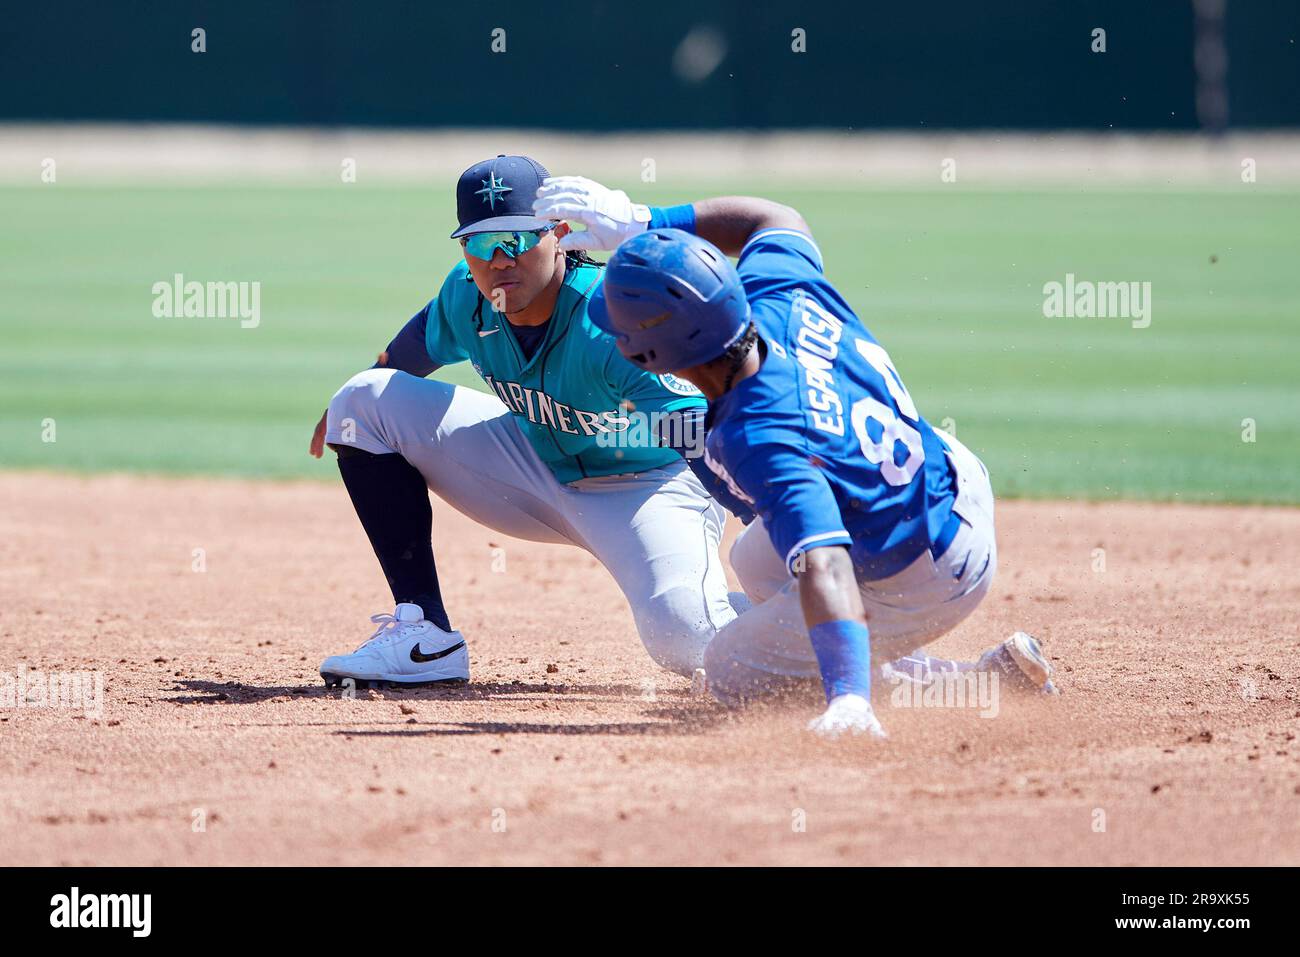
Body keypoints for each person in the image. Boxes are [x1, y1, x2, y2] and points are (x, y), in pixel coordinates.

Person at [535, 178, 1057, 737]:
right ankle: (864, 659)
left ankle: (960, 681)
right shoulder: (780, 291)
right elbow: (772, 216)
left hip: (932, 573)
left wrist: (848, 700)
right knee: (757, 559)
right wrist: (642, 219)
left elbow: (825, 562)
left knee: (731, 672)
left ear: (650, 354)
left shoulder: (760, 436)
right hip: (949, 477)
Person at [308, 155, 750, 687]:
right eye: (479, 243)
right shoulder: (468, 296)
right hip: (532, 464)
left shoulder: (610, 320)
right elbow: (410, 348)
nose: (499, 260)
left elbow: (696, 434)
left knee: (686, 639)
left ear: (559, 234)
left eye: (517, 239)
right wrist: (343, 413)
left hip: (648, 488)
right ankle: (424, 635)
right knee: (359, 400)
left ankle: (809, 618)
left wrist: (774, 519)